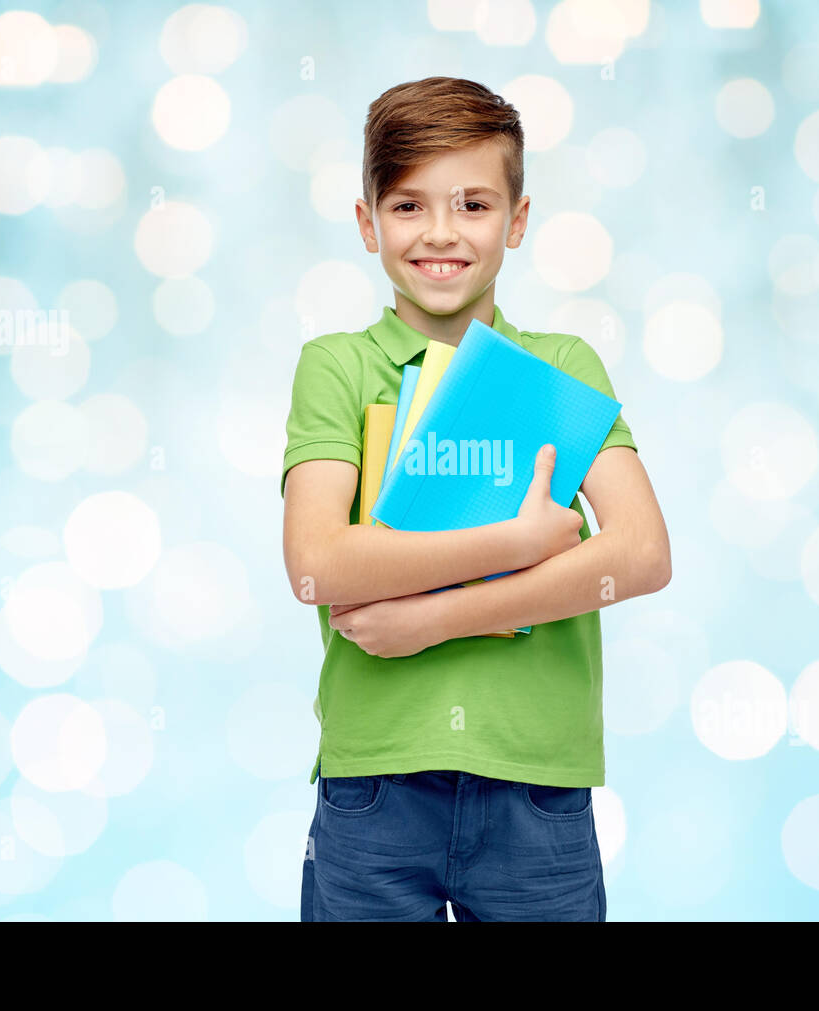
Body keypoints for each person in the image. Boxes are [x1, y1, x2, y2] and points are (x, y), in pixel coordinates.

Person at [281, 76, 671, 921]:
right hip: (374, 783)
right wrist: (519, 541)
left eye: (474, 204)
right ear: (367, 223)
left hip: (536, 785)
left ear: (518, 220)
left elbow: (642, 554)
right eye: (408, 206)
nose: (441, 232)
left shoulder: (560, 365)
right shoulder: (339, 366)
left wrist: (431, 617)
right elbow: (315, 565)